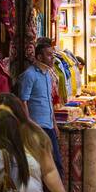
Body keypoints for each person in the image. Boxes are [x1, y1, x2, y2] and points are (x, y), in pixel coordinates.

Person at [18, 39, 63, 179]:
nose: (52, 58)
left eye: (52, 54)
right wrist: (29, 124)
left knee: (55, 162)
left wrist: (54, 124)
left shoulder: (47, 75)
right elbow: (23, 101)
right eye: (49, 55)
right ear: (39, 57)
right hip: (37, 126)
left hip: (48, 125)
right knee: (43, 164)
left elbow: (49, 101)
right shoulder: (30, 75)